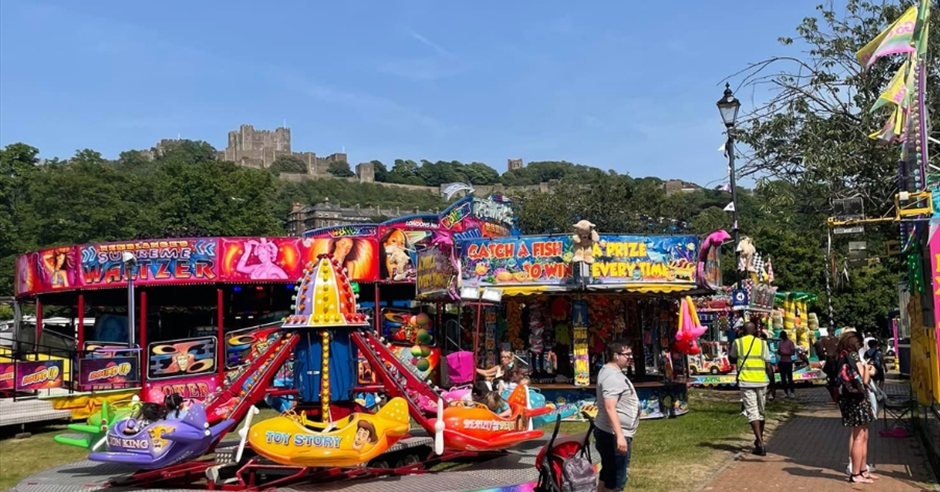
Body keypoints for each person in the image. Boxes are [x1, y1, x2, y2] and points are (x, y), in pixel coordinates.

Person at [594, 342, 639, 492]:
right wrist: (620, 436)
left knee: (608, 473)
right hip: (612, 434)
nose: (630, 357)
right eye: (627, 355)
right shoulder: (611, 376)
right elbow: (609, 407)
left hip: (611, 432)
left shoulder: (611, 372)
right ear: (615, 356)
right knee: (616, 479)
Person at [836, 331, 878, 484]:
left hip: (849, 399)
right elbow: (864, 380)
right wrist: (868, 368)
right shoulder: (853, 356)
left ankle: (862, 470)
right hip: (858, 400)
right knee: (860, 437)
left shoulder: (842, 356)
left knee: (862, 435)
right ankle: (856, 473)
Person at [730, 322, 772, 456]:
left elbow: (732, 358)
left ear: (743, 330)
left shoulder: (738, 342)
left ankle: (760, 442)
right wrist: (773, 384)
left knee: (752, 412)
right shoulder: (762, 344)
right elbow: (768, 365)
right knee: (761, 411)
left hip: (746, 380)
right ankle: (759, 441)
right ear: (755, 331)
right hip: (761, 380)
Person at [776, 331, 796, 398]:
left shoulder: (790, 342)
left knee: (790, 378)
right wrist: (780, 353)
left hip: (788, 361)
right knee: (783, 378)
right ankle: (785, 392)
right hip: (782, 361)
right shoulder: (780, 343)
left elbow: (793, 352)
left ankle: (792, 392)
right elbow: (778, 351)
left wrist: (786, 354)